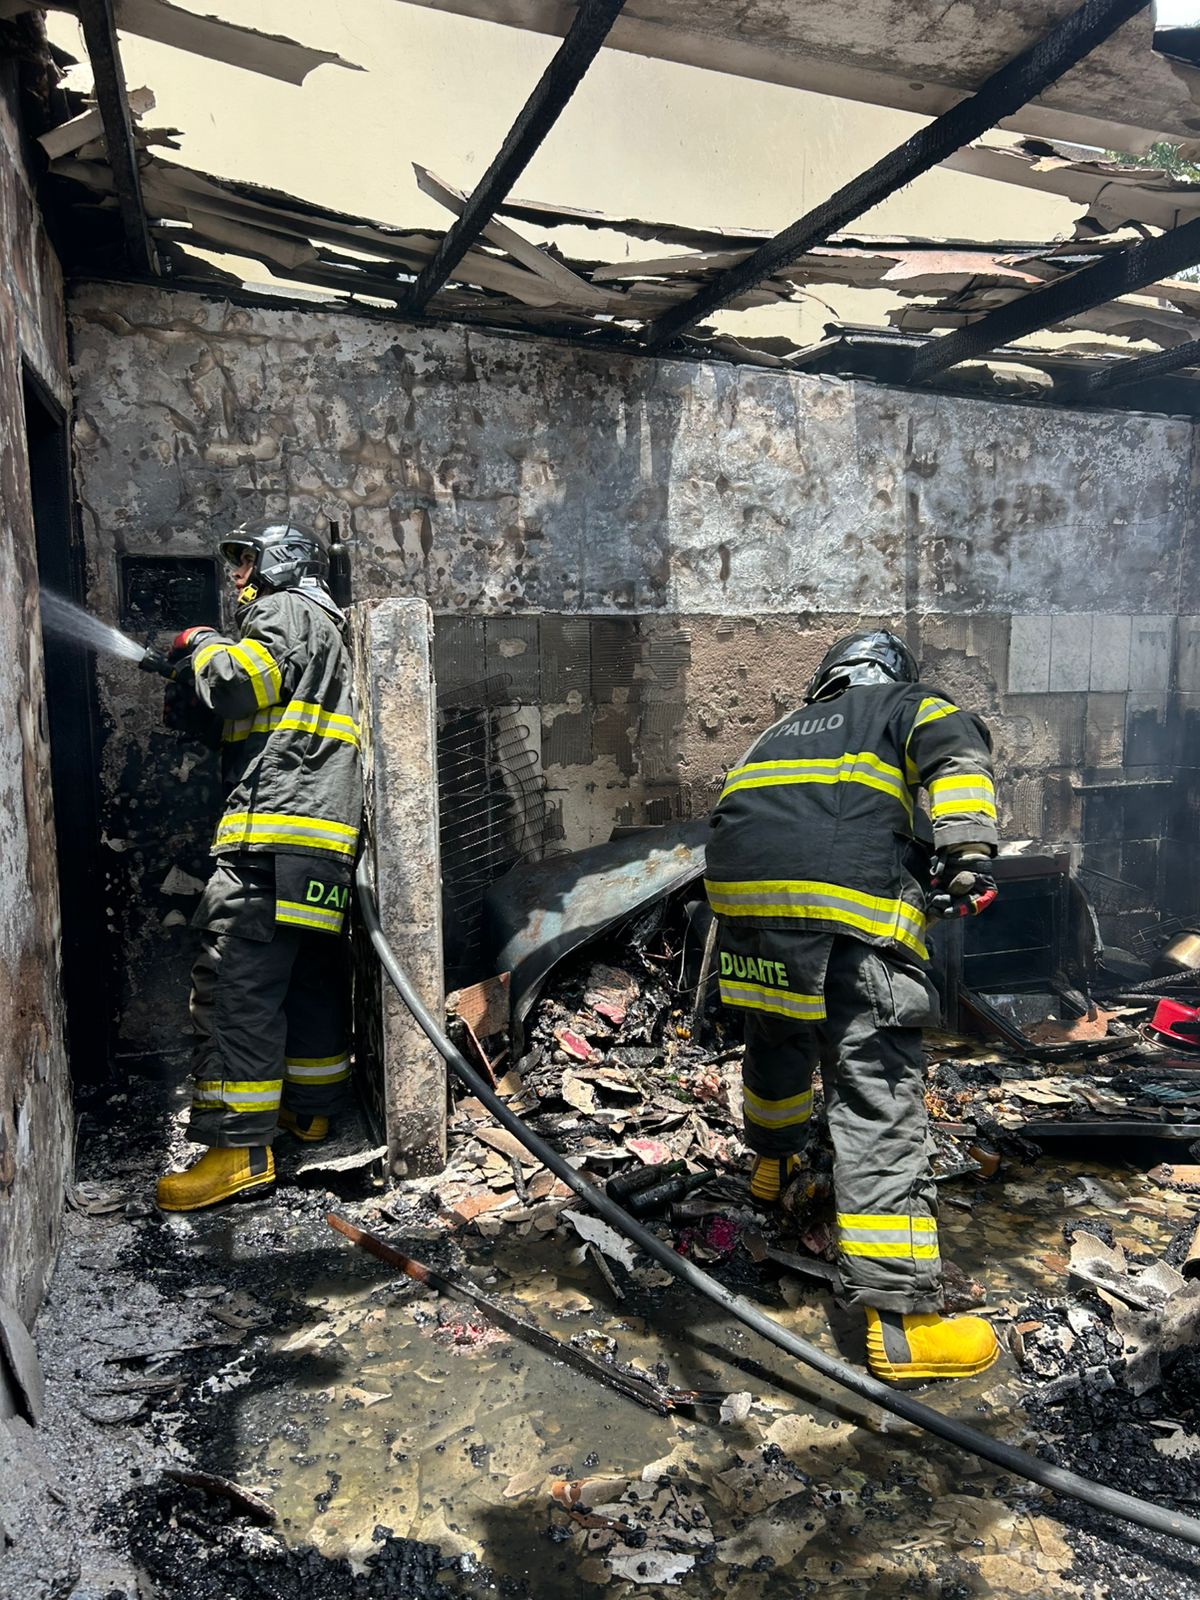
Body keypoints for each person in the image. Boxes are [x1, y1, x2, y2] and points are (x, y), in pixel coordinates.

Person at [704, 629, 1000, 1382]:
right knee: (877, 1094)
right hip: (843, 916)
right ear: (890, 674)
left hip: (747, 918)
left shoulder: (773, 734)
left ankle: (770, 1169)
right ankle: (903, 1328)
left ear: (826, 679)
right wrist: (966, 853)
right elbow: (958, 757)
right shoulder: (907, 704)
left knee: (776, 1041)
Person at [154, 521, 362, 1212]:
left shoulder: (279, 611)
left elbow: (241, 686)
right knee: (306, 977)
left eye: (246, 558)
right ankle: (312, 1111)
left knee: (235, 986)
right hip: (320, 844)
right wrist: (187, 675)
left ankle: (237, 1151)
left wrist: (205, 645)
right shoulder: (328, 626)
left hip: (266, 839)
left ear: (278, 562)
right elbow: (252, 714)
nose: (239, 572)